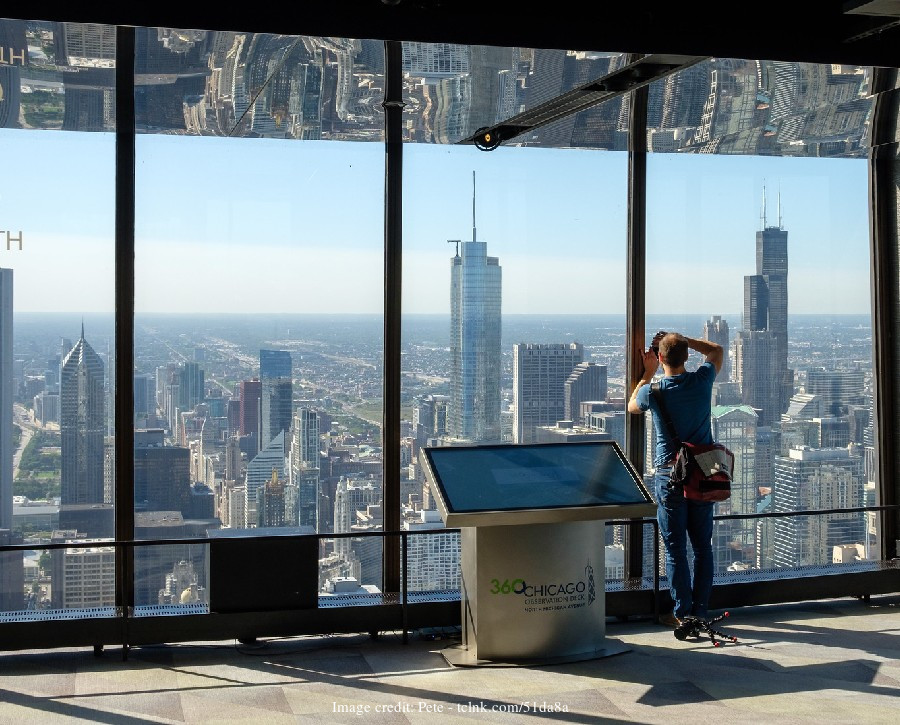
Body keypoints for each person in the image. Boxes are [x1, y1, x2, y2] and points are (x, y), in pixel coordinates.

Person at [627, 331, 724, 628]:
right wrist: (685, 340)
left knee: (675, 547)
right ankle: (700, 611)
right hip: (705, 469)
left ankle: (682, 614)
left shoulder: (654, 392)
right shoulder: (702, 381)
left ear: (660, 357)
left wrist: (647, 372)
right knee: (702, 547)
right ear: (686, 356)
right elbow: (717, 351)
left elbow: (631, 405)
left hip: (670, 475)